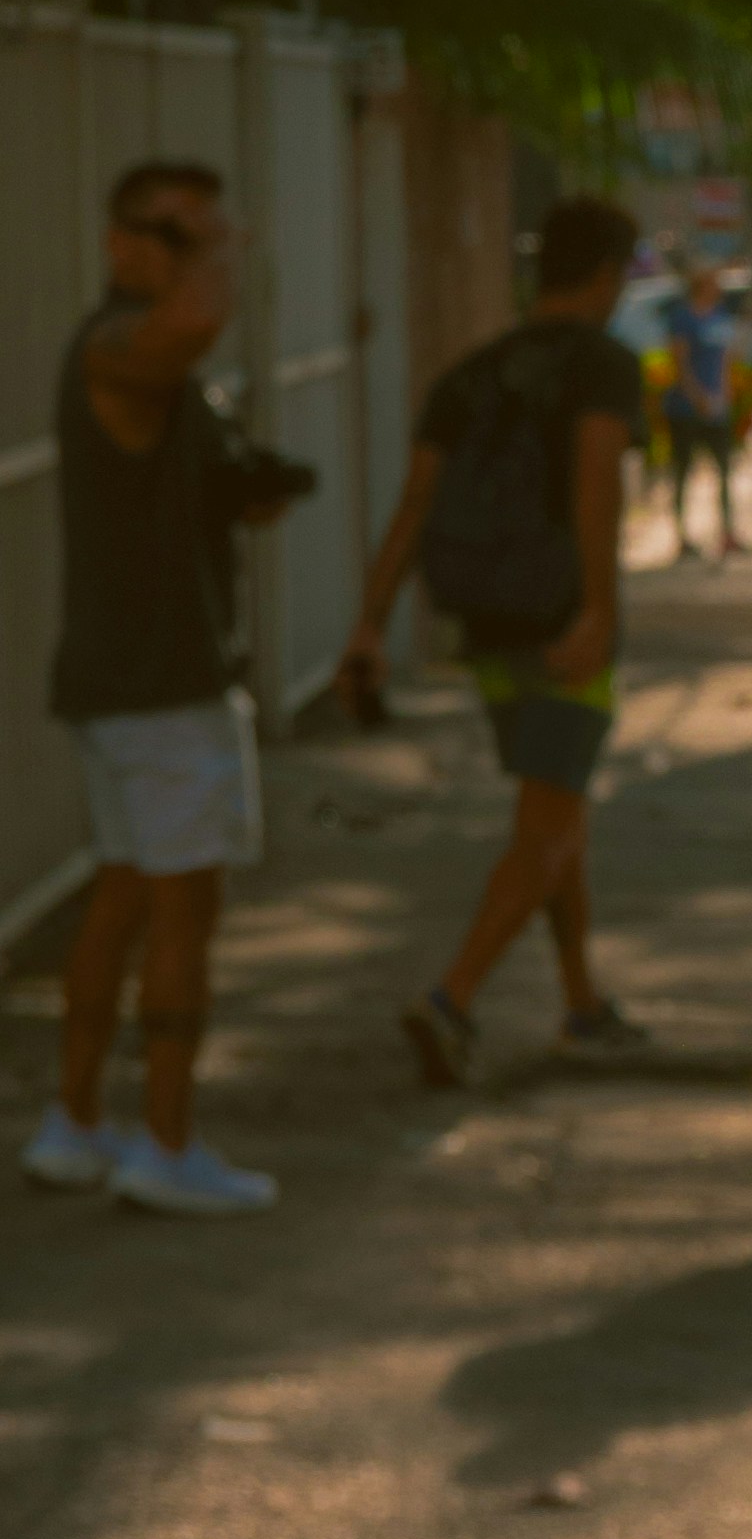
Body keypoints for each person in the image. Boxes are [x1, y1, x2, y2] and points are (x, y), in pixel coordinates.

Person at [26, 160, 311, 1217]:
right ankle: (166, 1139)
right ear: (121, 242)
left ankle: (79, 1123)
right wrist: (223, 242)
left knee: (125, 891)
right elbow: (192, 326)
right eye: (165, 234)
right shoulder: (118, 343)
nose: (187, 254)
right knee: (184, 905)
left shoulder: (139, 363)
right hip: (156, 681)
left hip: (129, 674)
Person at [336, 194, 648, 1089]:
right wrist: (599, 610)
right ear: (606, 275)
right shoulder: (601, 368)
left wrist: (369, 621)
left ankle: (582, 1002)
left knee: (557, 811)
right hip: (560, 624)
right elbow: (597, 486)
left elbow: (414, 506)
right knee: (549, 824)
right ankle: (452, 998)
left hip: (486, 628)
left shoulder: (467, 376)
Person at [662, 262, 747, 560]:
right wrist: (697, 396)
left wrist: (725, 394)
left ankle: (727, 534)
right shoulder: (683, 318)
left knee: (724, 471)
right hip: (686, 408)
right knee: (683, 471)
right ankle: (682, 537)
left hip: (717, 409)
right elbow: (680, 362)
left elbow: (724, 360)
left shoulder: (720, 315)